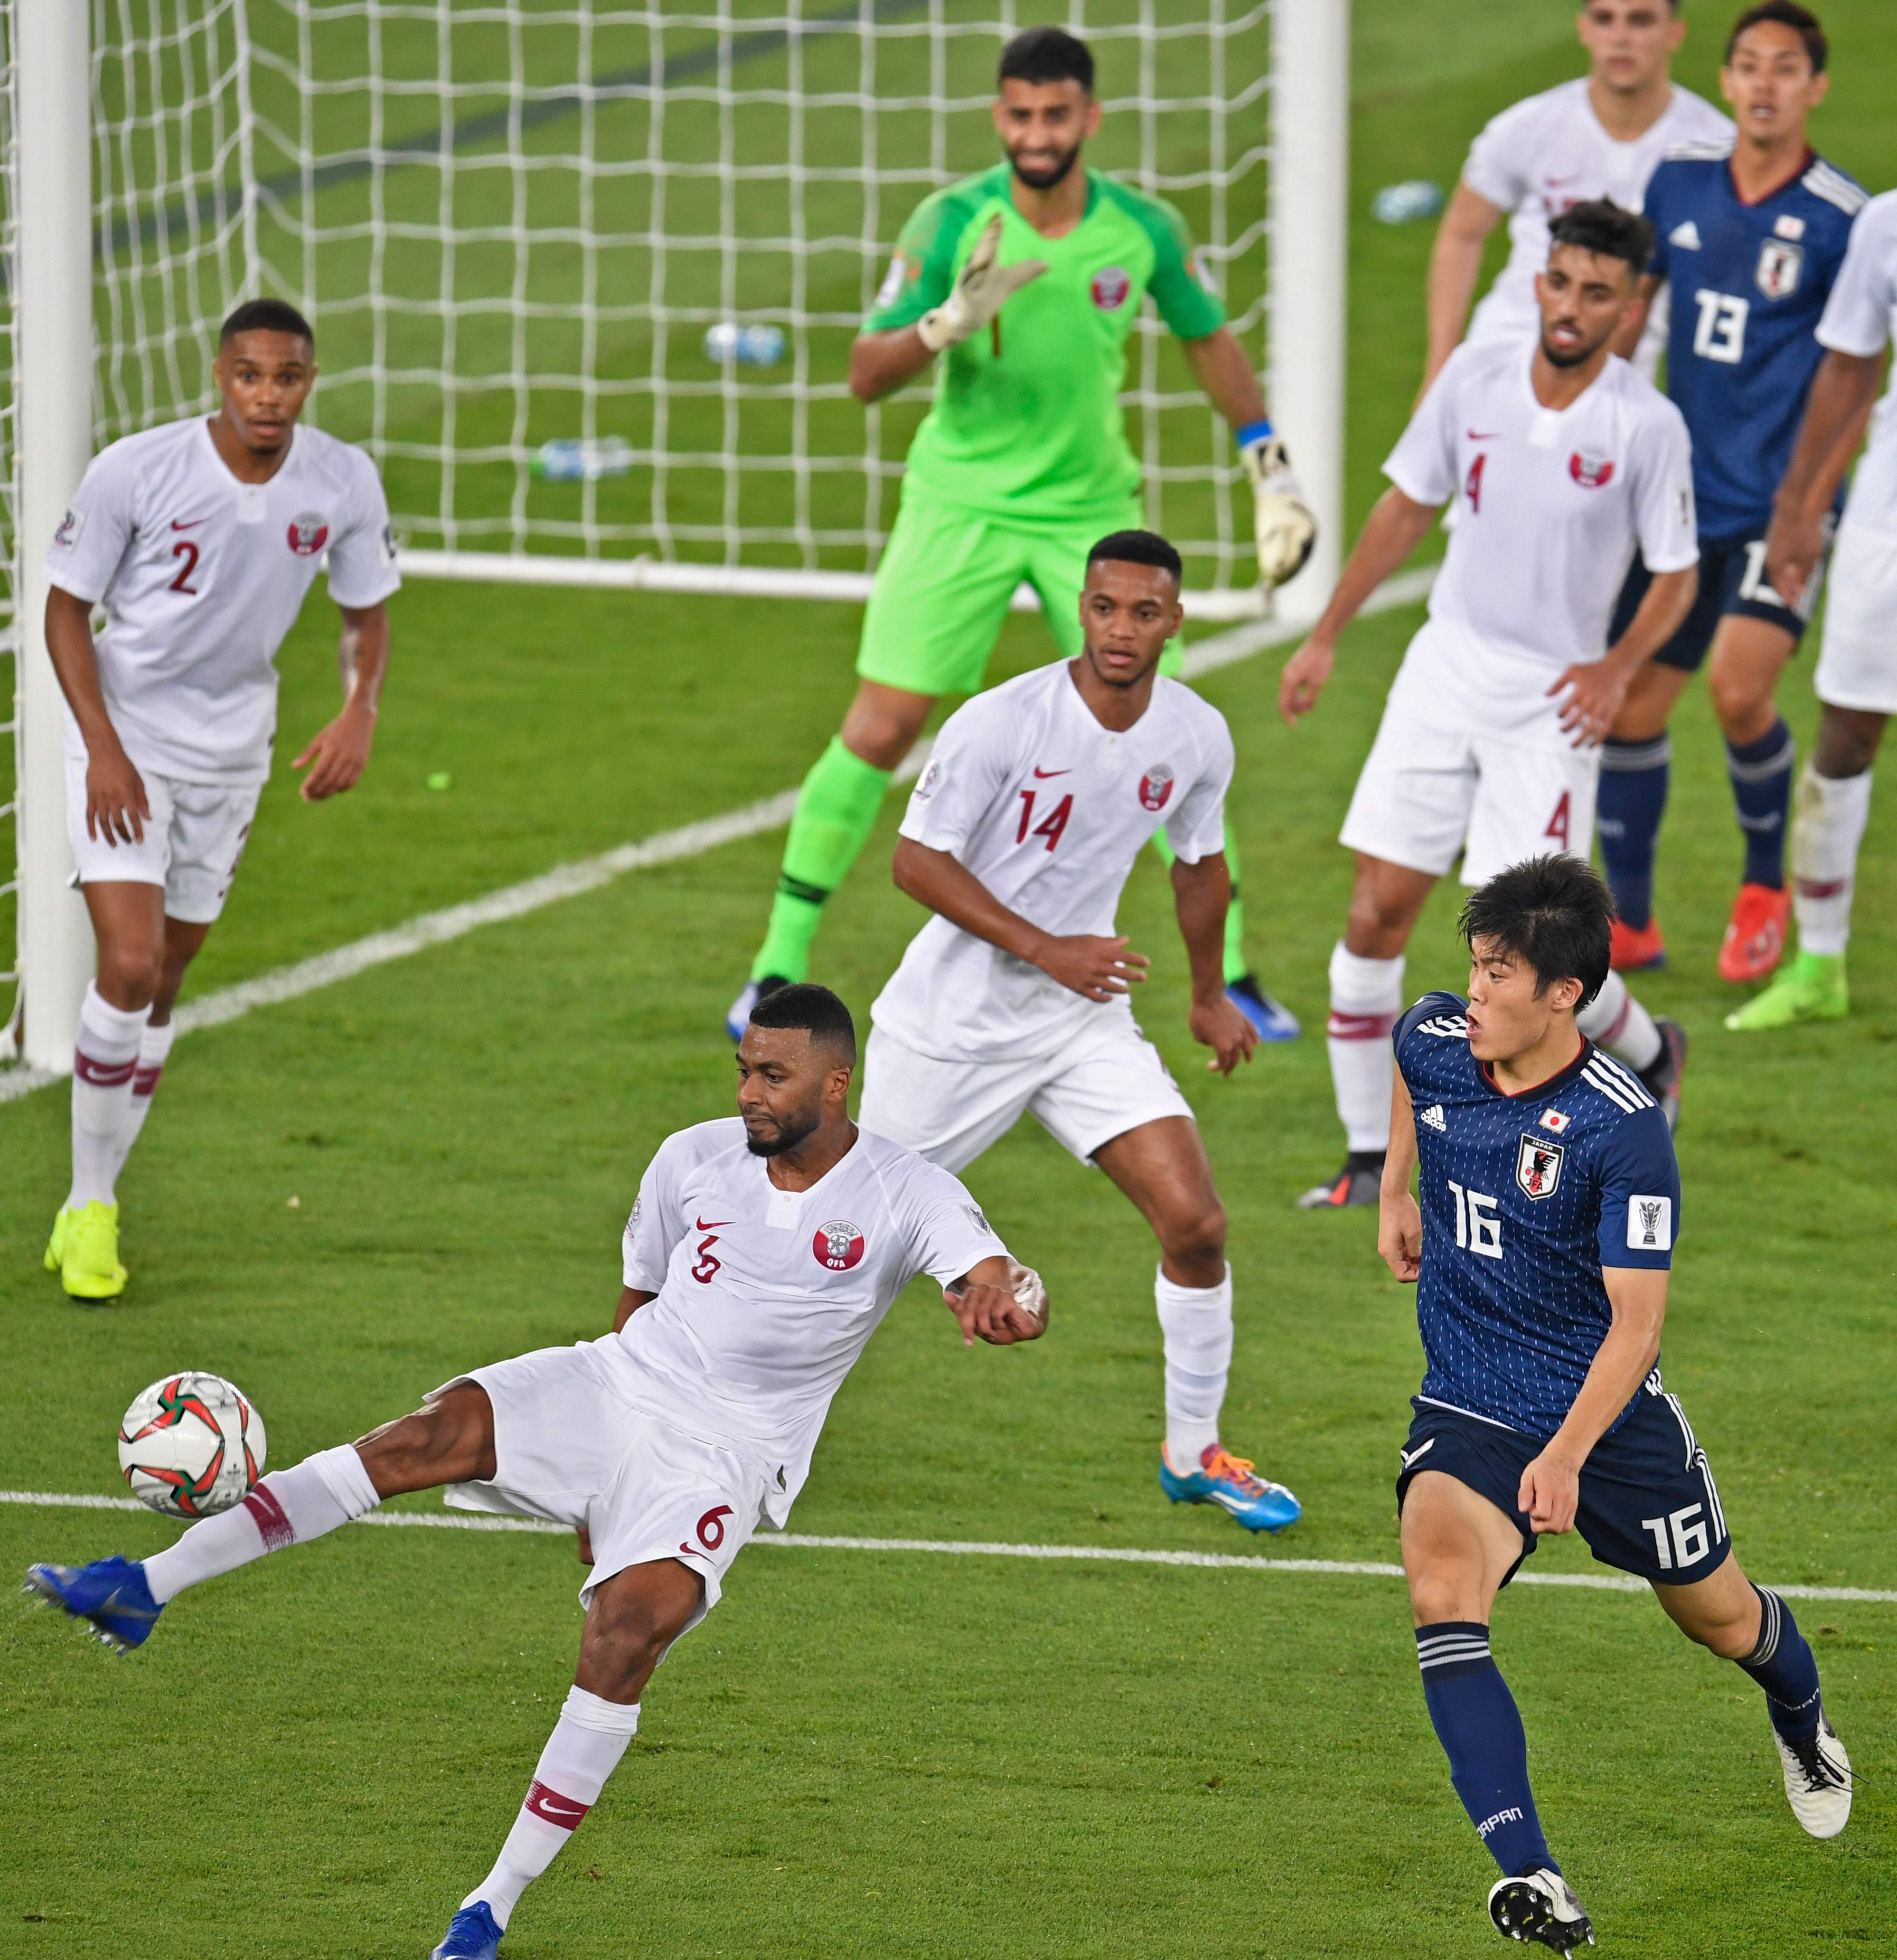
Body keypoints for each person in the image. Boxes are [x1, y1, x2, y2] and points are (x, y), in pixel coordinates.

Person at [25, 984, 1048, 1960]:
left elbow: (991, 1275)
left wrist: (1008, 1301)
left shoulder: (907, 1191)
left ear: (835, 1084)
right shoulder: (691, 1158)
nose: (747, 1093)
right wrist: (593, 1475)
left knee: (622, 1637)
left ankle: (488, 1904)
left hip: (727, 1452)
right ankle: (143, 1583)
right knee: (414, 1440)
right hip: (616, 1380)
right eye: (742, 1069)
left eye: (772, 1075)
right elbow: (633, 1300)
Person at [725, 24, 1313, 1049]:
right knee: (881, 724)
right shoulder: (952, 221)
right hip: (959, 504)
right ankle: (773, 966)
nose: (1034, 133)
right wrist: (944, 322)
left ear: (1087, 116)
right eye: (1017, 115)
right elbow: (865, 375)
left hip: (1088, 513)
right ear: (998, 116)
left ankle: (1234, 977)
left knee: (1154, 729)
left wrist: (1266, 463)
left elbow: (1206, 336)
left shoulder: (1140, 228)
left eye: (1053, 114)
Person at [1380, 856, 1849, 1954]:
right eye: (1475, 965)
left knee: (1721, 1617)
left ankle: (1799, 1716)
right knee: (1439, 1584)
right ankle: (1531, 1872)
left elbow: (1636, 1327)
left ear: (1562, 993)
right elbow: (1408, 1056)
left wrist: (1568, 1454)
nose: (1475, 990)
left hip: (1606, 1417)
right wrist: (1397, 1185)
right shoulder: (1442, 1038)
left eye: (1501, 972)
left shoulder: (1619, 1129)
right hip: (1468, 1398)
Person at [857, 529, 1299, 1534]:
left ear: (1173, 621)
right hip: (947, 1031)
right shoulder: (1002, 722)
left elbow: (1199, 865)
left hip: (1077, 1023)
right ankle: (689, 1401)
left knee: (1196, 1224)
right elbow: (915, 863)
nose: (1120, 629)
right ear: (1082, 607)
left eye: (1144, 612)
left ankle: (1194, 1453)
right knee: (835, 1252)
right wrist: (1046, 946)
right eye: (1104, 607)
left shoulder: (1193, 735)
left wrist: (1205, 992)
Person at [1279, 201, 1694, 1212]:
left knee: (1540, 956)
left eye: (1597, 292)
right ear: (1540, 280)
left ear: (1629, 304)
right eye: (1559, 282)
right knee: (1374, 912)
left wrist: (1614, 669)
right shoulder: (1473, 373)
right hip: (1444, 670)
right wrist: (1327, 631)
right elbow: (1405, 504)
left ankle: (1652, 1053)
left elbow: (1677, 575)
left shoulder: (1646, 425)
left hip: (1550, 702)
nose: (1570, 306)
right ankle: (1365, 1158)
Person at [39, 296, 399, 1299]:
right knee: (130, 958)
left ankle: (89, 1197)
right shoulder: (138, 469)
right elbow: (65, 612)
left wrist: (358, 710)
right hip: (125, 738)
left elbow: (364, 616)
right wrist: (103, 746)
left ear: (309, 382)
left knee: (169, 975)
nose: (267, 396)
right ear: (219, 375)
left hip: (235, 749)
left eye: (286, 377)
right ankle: (93, 1201)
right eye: (250, 375)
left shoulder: (340, 481)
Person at [1594, 1, 1865, 982]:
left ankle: (1762, 889)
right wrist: (1598, 422)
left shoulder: (1842, 216)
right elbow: (1635, 310)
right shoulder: (1677, 184)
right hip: (1679, 498)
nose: (1762, 85)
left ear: (1814, 87)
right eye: (1747, 65)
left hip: (1780, 503)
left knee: (1740, 690)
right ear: (1726, 77)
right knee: (1627, 709)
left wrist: (1809, 508)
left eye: (1784, 69)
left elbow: (1856, 370)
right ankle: (1629, 924)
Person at [1727, 187, 1897, 1029]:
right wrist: (1798, 507)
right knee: (1848, 727)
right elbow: (1848, 365)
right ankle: (1819, 962)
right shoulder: (1887, 223)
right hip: (1887, 515)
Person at [1421, 0, 1730, 396]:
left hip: (1620, 377)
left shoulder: (1715, 151)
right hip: (1505, 355)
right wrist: (1440, 366)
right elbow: (1462, 233)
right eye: (1605, 19)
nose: (1620, 39)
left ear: (1675, 33)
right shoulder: (1529, 127)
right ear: (1583, 29)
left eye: (1640, 21)